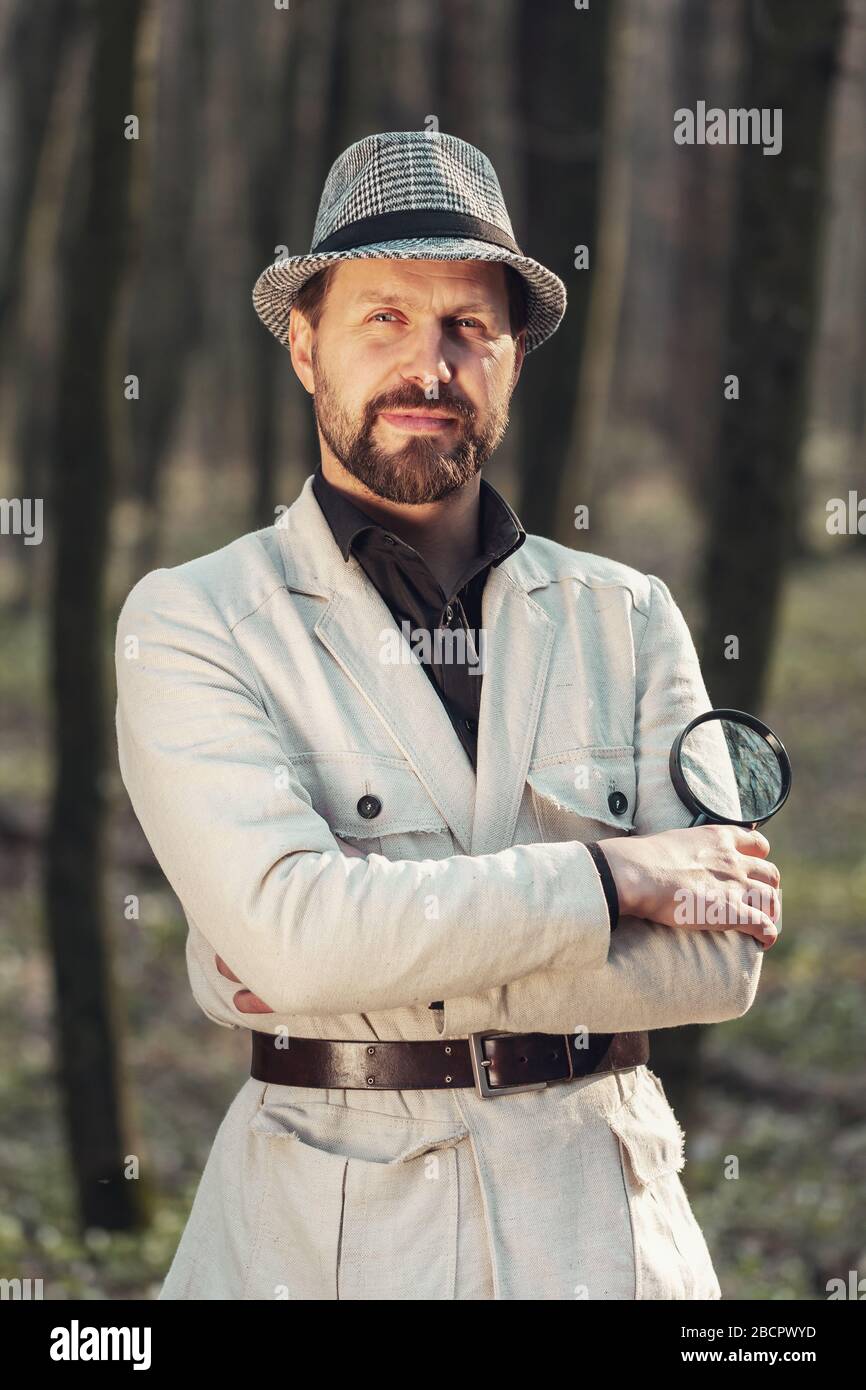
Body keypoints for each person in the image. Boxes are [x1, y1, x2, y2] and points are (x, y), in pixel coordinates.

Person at [115, 131, 781, 1300]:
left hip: (602, 1238)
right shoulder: (196, 620)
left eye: (468, 326)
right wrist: (619, 883)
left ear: (512, 356)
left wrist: (347, 962)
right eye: (384, 319)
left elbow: (718, 963)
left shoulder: (625, 616)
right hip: (321, 1237)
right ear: (306, 345)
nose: (429, 364)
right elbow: (294, 940)